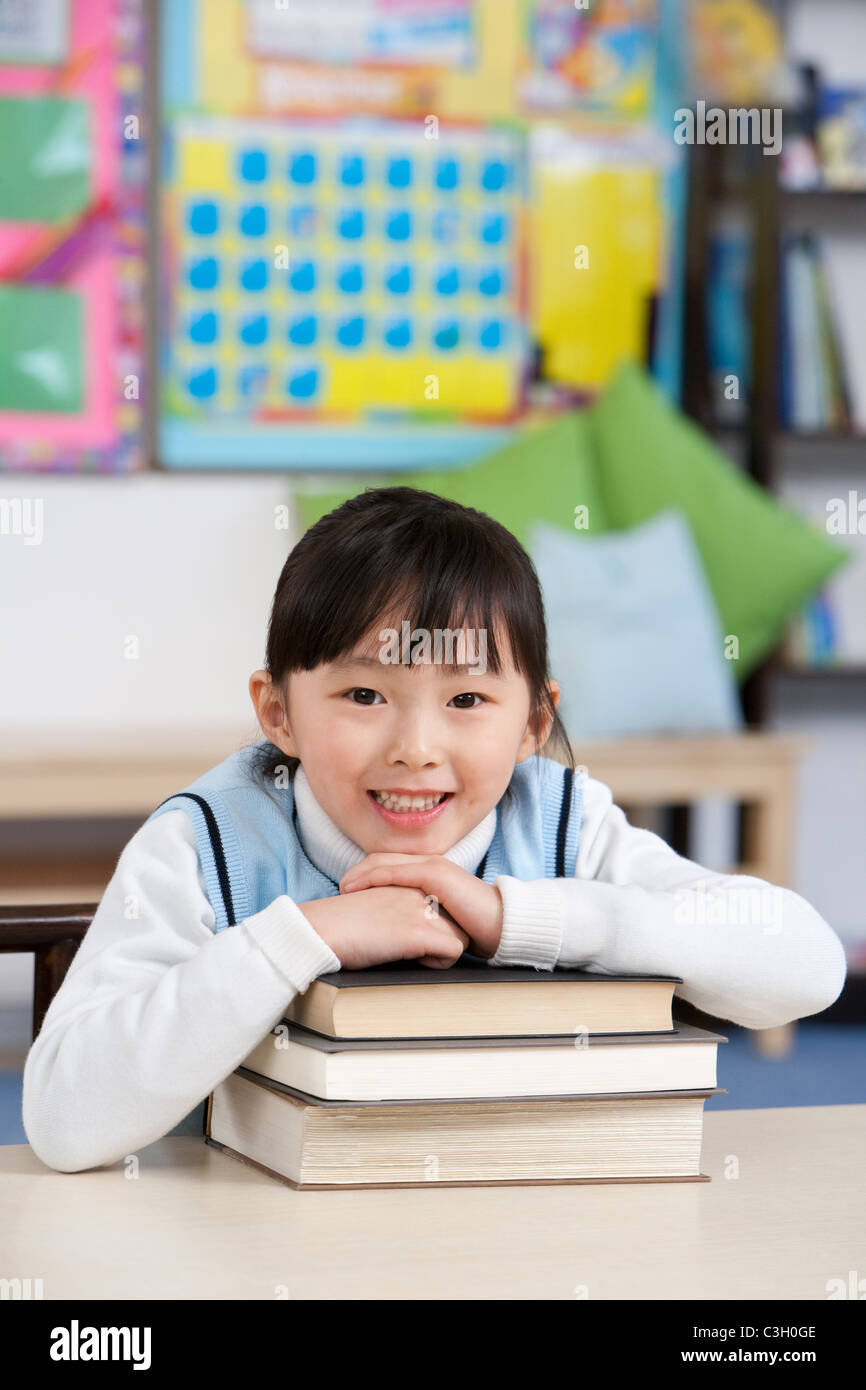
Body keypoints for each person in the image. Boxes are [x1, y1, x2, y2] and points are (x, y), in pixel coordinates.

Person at [22, 487, 846, 1172]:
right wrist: (302, 937)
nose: (416, 750)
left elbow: (805, 968)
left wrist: (520, 918)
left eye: (467, 701)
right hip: (247, 1246)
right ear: (278, 711)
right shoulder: (205, 845)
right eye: (365, 697)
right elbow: (63, 1121)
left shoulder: (561, 823)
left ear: (532, 722)